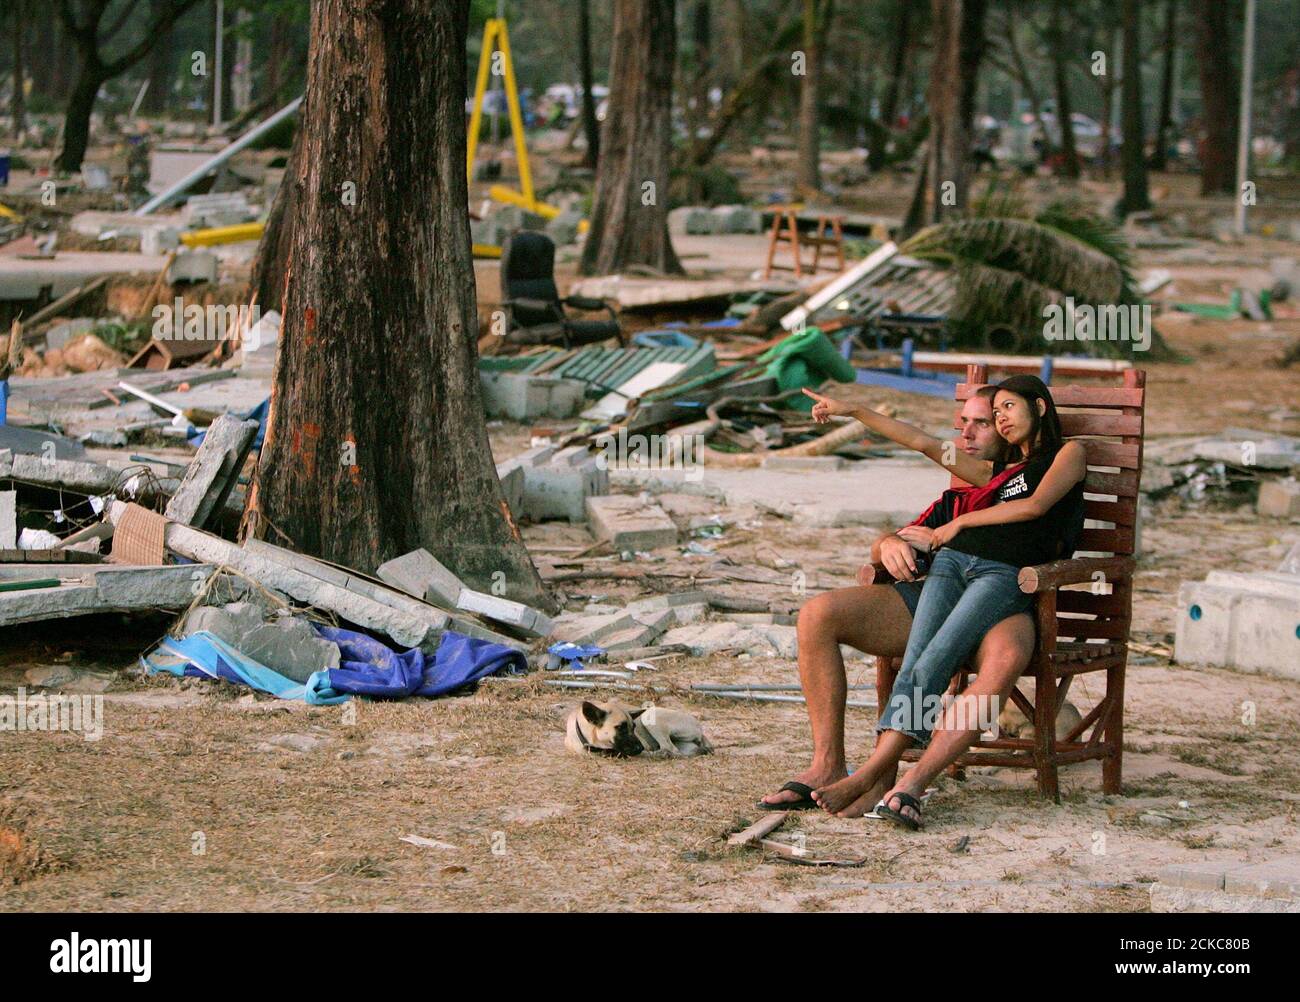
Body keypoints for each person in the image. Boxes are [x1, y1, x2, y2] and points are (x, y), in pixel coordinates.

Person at [804, 376, 1086, 829]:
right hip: (953, 565)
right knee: (917, 659)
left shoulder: (1068, 456)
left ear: (1040, 407)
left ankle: (876, 772)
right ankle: (879, 778)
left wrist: (958, 524)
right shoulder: (997, 473)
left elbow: (1035, 506)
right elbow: (922, 441)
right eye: (996, 414)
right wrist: (854, 411)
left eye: (1008, 409)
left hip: (1000, 574)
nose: (1001, 420)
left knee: (937, 655)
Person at [758, 385, 1036, 819]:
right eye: (963, 423)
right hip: (936, 597)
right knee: (818, 614)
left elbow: (929, 444)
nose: (968, 434)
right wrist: (886, 544)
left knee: (1003, 660)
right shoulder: (960, 496)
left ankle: (908, 781)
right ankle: (826, 764)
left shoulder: (1026, 482)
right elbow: (923, 446)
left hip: (1005, 604)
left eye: (982, 422)